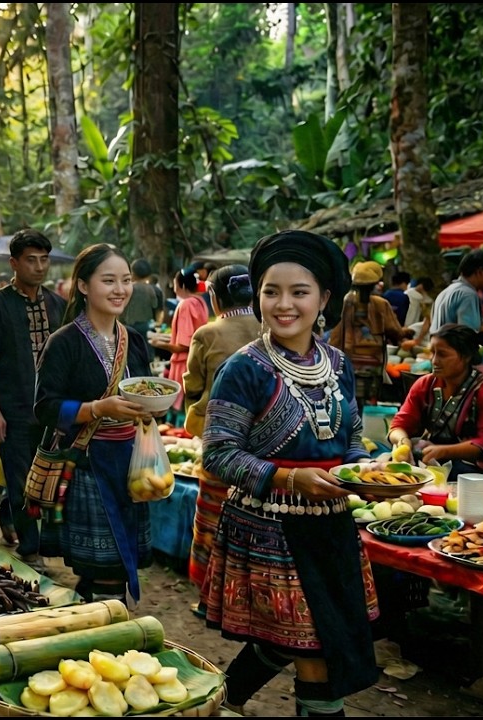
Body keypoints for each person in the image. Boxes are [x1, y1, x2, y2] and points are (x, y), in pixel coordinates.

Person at [200, 230, 377, 717]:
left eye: (299, 292)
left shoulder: (337, 364)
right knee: (316, 649)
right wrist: (287, 477)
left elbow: (353, 441)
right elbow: (217, 455)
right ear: (257, 296)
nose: (283, 304)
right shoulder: (243, 369)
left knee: (304, 638)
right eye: (271, 291)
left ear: (323, 298)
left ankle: (223, 697)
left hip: (332, 524)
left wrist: (372, 471)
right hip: (270, 526)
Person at [33, 244, 156, 602]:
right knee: (103, 572)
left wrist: (153, 406)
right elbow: (45, 407)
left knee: (114, 567)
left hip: (132, 464)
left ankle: (93, 632)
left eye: (126, 280)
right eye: (109, 280)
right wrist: (96, 409)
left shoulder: (133, 339)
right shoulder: (64, 342)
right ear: (84, 286)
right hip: (88, 464)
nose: (120, 289)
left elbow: (147, 389)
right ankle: (105, 641)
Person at [0, 228, 65, 565]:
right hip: (13, 407)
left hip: (51, 409)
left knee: (43, 476)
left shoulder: (58, 304)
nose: (39, 267)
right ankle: (31, 548)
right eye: (31, 260)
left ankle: (6, 512)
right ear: (14, 263)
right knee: (19, 477)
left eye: (44, 260)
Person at [180, 264, 259, 592]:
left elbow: (193, 385)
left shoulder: (209, 333)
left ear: (214, 297)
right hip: (265, 443)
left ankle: (210, 593)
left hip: (221, 441)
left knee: (212, 520)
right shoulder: (272, 327)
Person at [388, 323, 483, 482]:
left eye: (442, 354)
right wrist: (403, 442)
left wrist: (445, 451)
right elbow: (399, 425)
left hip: (473, 473)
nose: (434, 361)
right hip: (430, 463)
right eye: (432, 353)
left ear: (466, 356)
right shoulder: (425, 385)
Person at [325, 261, 410, 411]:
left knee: (348, 400)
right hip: (373, 362)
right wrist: (406, 333)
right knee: (370, 401)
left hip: (348, 361)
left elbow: (335, 334)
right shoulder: (381, 304)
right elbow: (395, 331)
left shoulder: (344, 303)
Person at [149, 268, 208, 422]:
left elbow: (183, 346)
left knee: (179, 411)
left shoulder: (186, 305)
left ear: (180, 285)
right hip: (197, 361)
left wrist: (158, 344)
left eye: (174, 283)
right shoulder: (200, 302)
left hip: (183, 365)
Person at [430, 248, 483, 335]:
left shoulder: (446, 292)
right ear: (480, 272)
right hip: (455, 348)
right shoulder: (468, 295)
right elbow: (468, 333)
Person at [123, 258, 163, 339]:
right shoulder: (156, 290)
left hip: (127, 328)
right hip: (148, 328)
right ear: (149, 275)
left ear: (132, 273)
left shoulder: (125, 289)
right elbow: (159, 312)